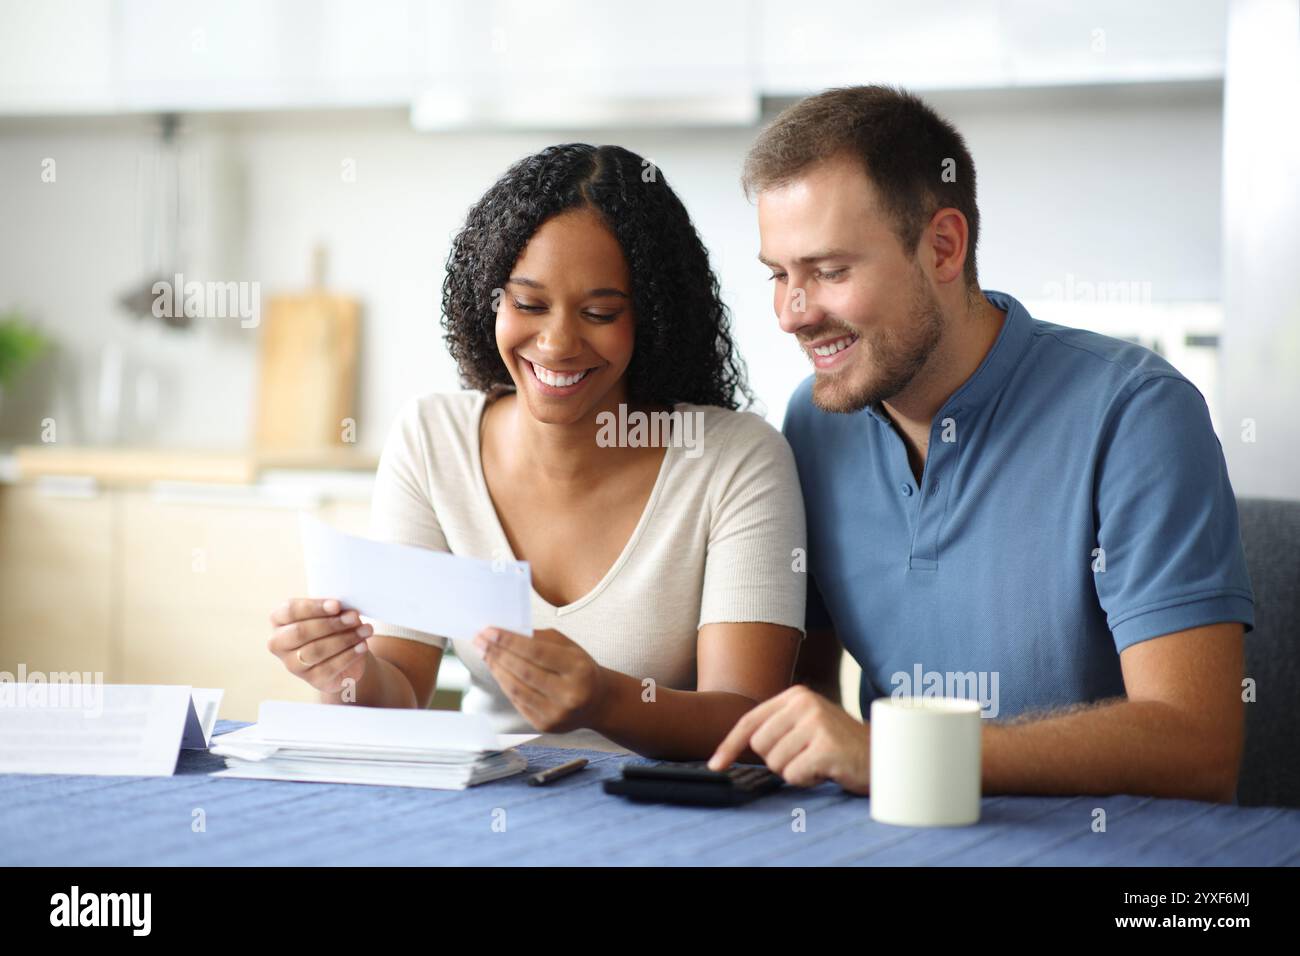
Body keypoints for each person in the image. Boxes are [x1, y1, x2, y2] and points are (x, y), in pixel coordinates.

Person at [710, 86, 1254, 803]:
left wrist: (905, 757)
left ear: (943, 247)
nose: (792, 314)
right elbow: (805, 688)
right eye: (779, 275)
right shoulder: (814, 423)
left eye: (830, 272)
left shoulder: (1137, 415)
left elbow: (1198, 746)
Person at [269, 143, 807, 756]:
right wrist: (346, 671)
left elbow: (750, 719)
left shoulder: (735, 461)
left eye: (600, 312)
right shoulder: (432, 441)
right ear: (490, 299)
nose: (556, 344)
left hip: (664, 818)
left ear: (653, 318)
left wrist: (605, 700)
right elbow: (402, 690)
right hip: (492, 808)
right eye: (528, 305)